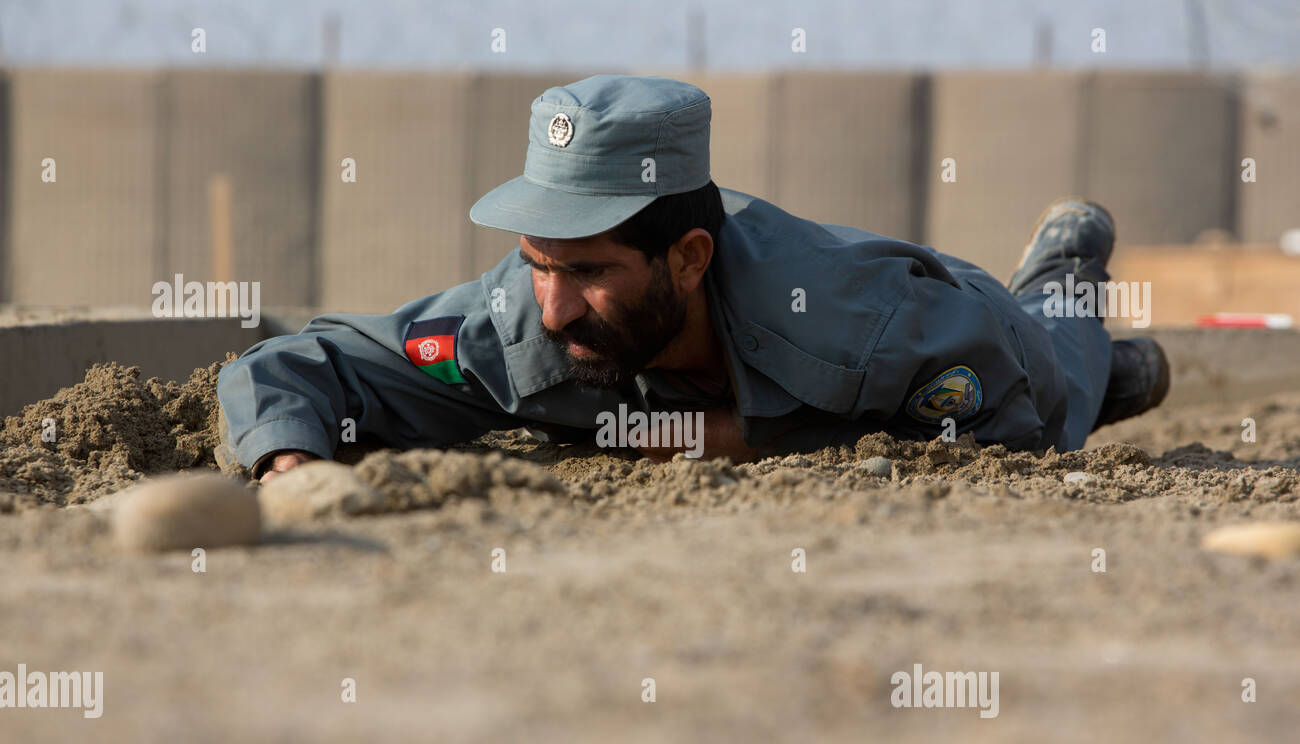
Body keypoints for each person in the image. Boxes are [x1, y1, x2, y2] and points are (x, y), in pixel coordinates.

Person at [216, 74, 1169, 483]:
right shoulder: (517, 322)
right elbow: (308, 363)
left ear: (688, 258)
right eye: (538, 263)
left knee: (1064, 383)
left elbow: (1004, 419)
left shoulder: (867, 330)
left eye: (588, 271)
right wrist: (290, 459)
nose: (552, 308)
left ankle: (1066, 270)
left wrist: (742, 436)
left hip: (987, 328)